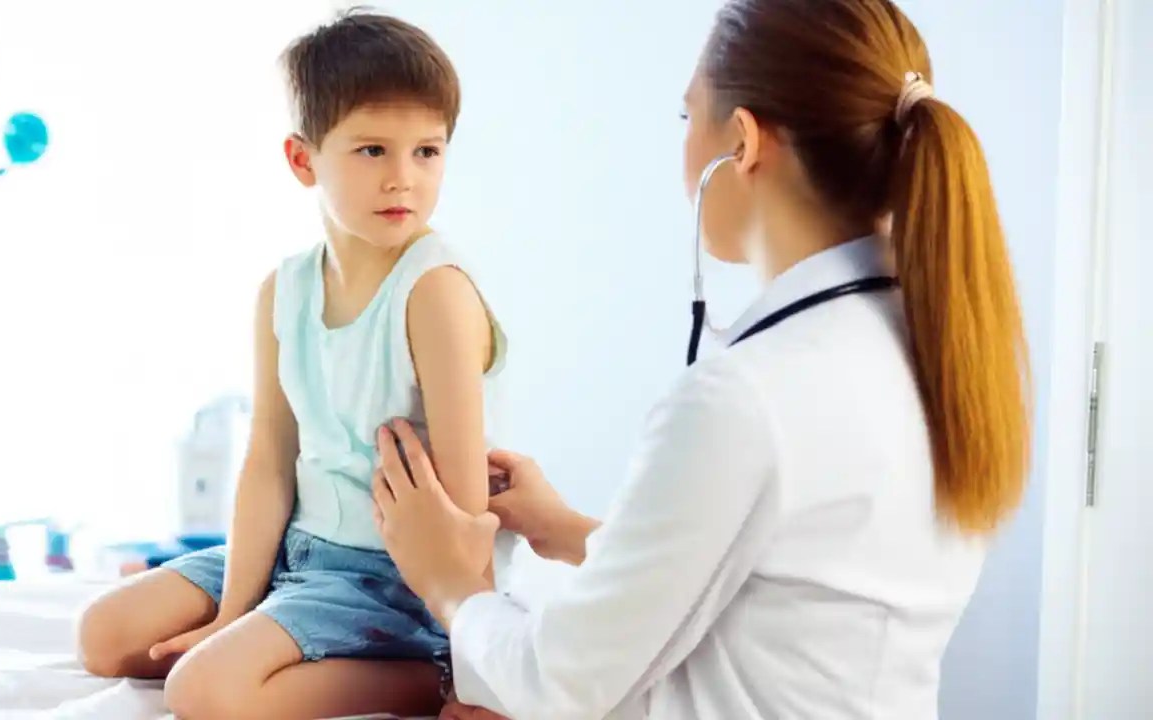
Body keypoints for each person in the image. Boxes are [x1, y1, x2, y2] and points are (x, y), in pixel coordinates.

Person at [370, 0, 1031, 718]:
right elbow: (786, 594)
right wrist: (564, 530)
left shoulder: (747, 398)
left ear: (742, 141)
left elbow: (556, 684)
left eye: (689, 118)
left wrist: (448, 584)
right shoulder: (925, 349)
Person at [75, 10, 508, 719]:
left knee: (202, 693)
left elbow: (466, 501)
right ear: (303, 160)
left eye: (427, 152)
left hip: (395, 579)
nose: (404, 178)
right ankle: (269, 640)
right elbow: (270, 460)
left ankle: (423, 675)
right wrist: (234, 611)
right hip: (296, 555)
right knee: (103, 634)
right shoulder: (285, 290)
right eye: (373, 150)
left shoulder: (434, 290)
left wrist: (478, 672)